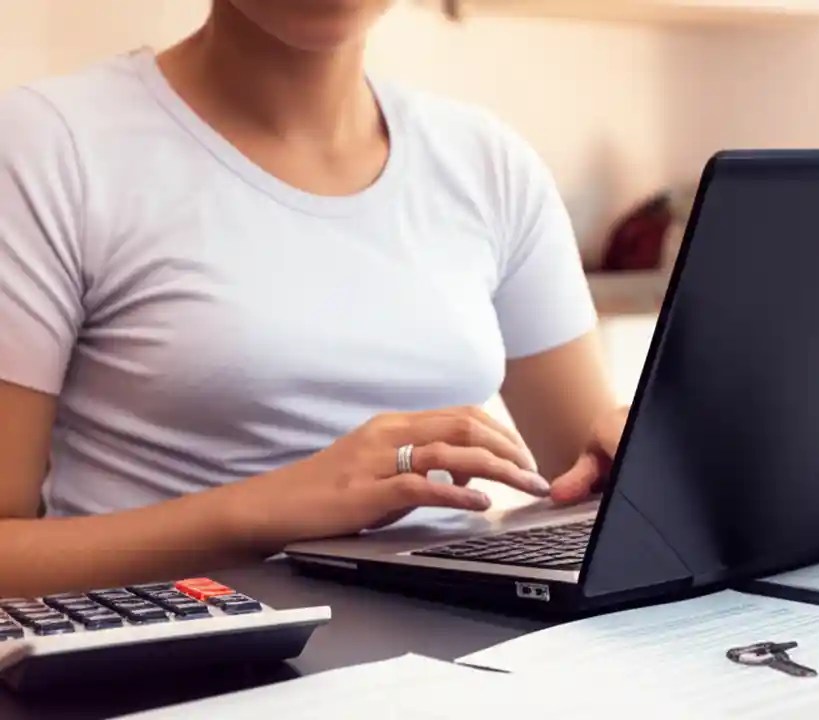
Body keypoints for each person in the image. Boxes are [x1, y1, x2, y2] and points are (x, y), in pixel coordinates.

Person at [0, 0, 627, 597]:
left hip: (457, 657)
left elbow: (589, 482)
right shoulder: (47, 146)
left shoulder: (490, 163)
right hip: (182, 674)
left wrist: (646, 453)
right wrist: (260, 511)